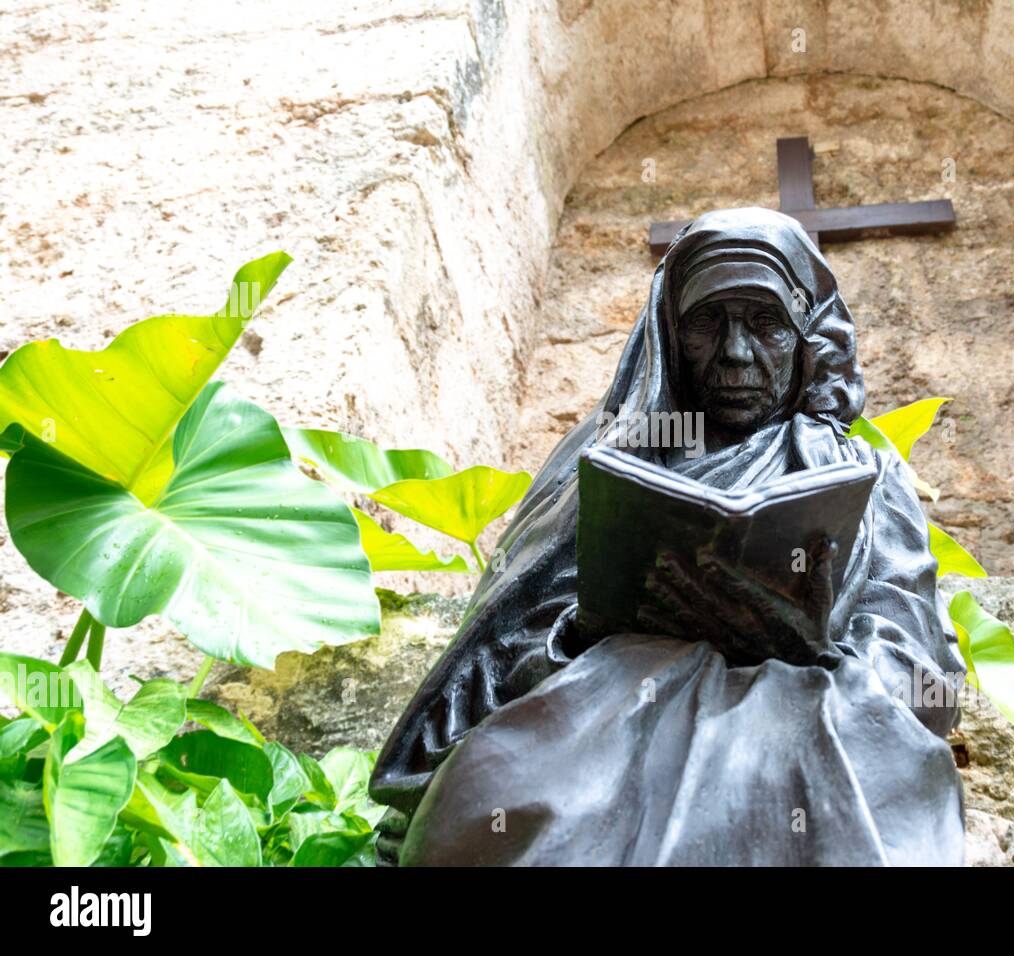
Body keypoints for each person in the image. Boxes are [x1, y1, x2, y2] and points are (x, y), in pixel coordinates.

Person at [370, 207, 966, 865]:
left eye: (766, 324)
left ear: (808, 335)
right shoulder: (612, 458)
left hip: (812, 714)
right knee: (491, 790)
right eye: (708, 323)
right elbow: (490, 661)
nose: (736, 354)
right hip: (597, 722)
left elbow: (922, 680)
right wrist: (580, 632)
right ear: (669, 335)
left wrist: (797, 639)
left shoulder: (867, 476)